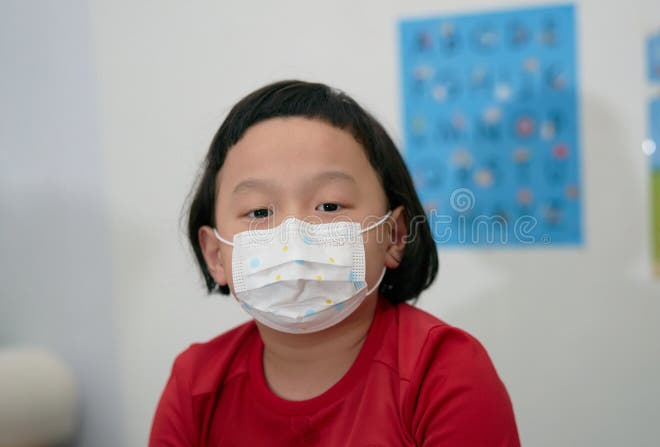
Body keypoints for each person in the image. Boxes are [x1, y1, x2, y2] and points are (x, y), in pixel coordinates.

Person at [149, 80, 520, 446]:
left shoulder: (443, 373)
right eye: (259, 211)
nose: (294, 233)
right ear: (216, 255)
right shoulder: (195, 385)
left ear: (392, 236)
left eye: (329, 206)